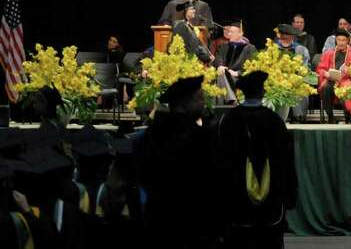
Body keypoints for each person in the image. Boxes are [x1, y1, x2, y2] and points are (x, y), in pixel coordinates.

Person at [214, 70, 298, 248]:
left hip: (237, 195)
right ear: (262, 92)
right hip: (271, 197)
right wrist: (289, 194)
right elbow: (286, 160)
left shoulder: (229, 120)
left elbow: (221, 160)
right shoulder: (274, 120)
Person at [132, 76, 219, 246]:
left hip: (157, 217)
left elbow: (143, 177)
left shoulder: (147, 137)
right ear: (183, 104)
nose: (203, 103)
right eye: (199, 98)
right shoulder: (201, 138)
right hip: (194, 222)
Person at [316, 29, 351, 124]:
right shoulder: (329, 53)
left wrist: (350, 70)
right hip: (331, 79)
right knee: (326, 88)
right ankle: (330, 117)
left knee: (346, 88)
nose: (341, 43)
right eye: (339, 40)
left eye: (343, 40)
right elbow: (320, 68)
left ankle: (348, 117)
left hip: (346, 80)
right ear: (336, 41)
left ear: (348, 41)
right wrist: (325, 73)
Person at [274, 24, 312, 122]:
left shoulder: (301, 50)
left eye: (286, 37)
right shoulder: (273, 49)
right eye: (282, 37)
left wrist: (294, 77)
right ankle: (278, 117)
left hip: (296, 78)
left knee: (301, 86)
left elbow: (304, 68)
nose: (284, 40)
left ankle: (298, 116)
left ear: (292, 37)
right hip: (277, 79)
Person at [214, 20, 257, 103]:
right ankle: (232, 100)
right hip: (225, 75)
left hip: (240, 78)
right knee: (221, 75)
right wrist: (220, 66)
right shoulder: (223, 46)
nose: (229, 34)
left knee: (220, 78)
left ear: (240, 33)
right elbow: (218, 59)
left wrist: (237, 73)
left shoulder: (250, 49)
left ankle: (224, 106)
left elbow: (253, 67)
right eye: (229, 32)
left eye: (232, 32)